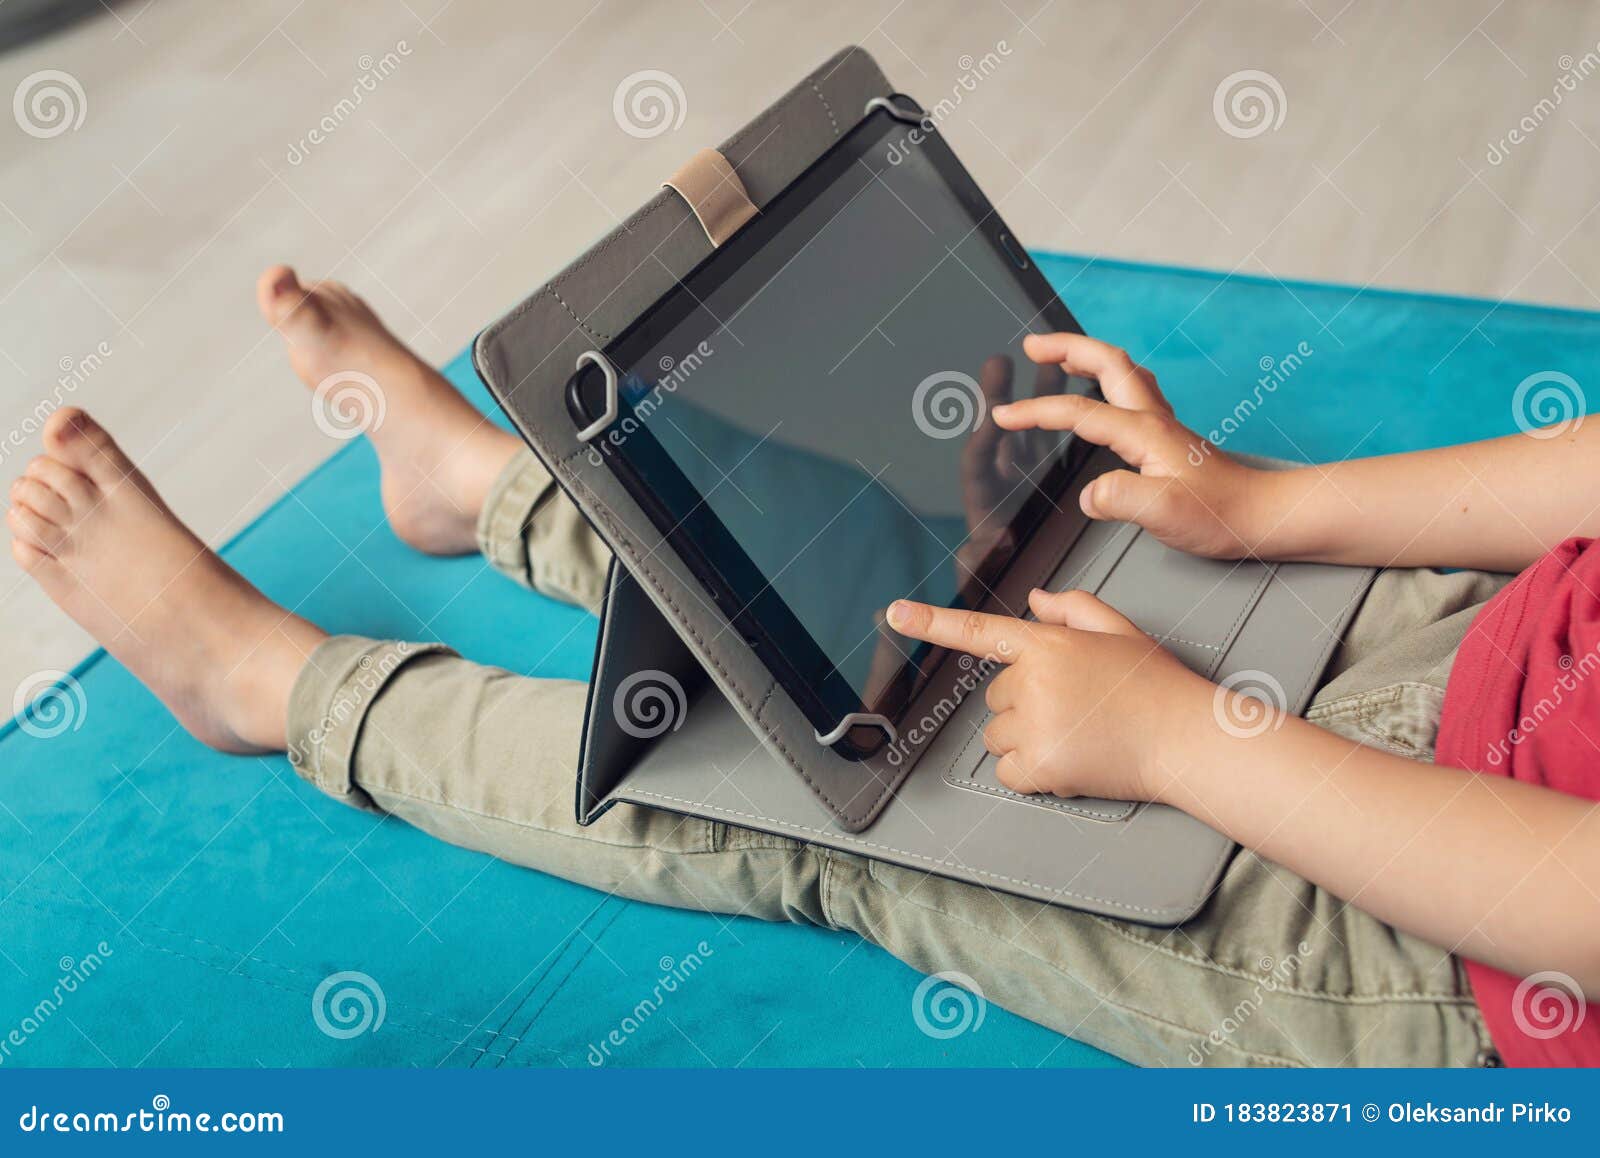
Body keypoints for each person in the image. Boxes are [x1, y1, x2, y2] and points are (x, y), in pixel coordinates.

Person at [8, 266, 1597, 1067]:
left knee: (844, 803)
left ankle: (277, 688)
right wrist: (1266, 509)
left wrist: (1189, 748)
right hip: (1491, 638)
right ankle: (489, 489)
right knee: (939, 584)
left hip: (1459, 939)